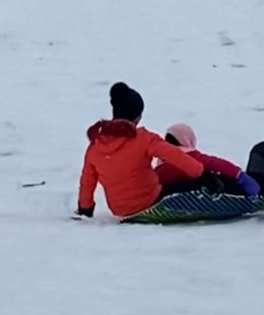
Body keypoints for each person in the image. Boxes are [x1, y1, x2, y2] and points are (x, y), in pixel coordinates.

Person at [75, 83, 208, 219]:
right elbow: (174, 154)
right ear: (137, 117)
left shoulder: (95, 147)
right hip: (150, 200)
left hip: (119, 209)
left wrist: (85, 209)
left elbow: (87, 181)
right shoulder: (143, 139)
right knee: (189, 184)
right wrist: (202, 173)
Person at [157, 123, 260, 196]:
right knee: (215, 178)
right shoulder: (189, 154)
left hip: (167, 188)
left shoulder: (162, 157)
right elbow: (215, 164)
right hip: (194, 185)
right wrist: (240, 176)